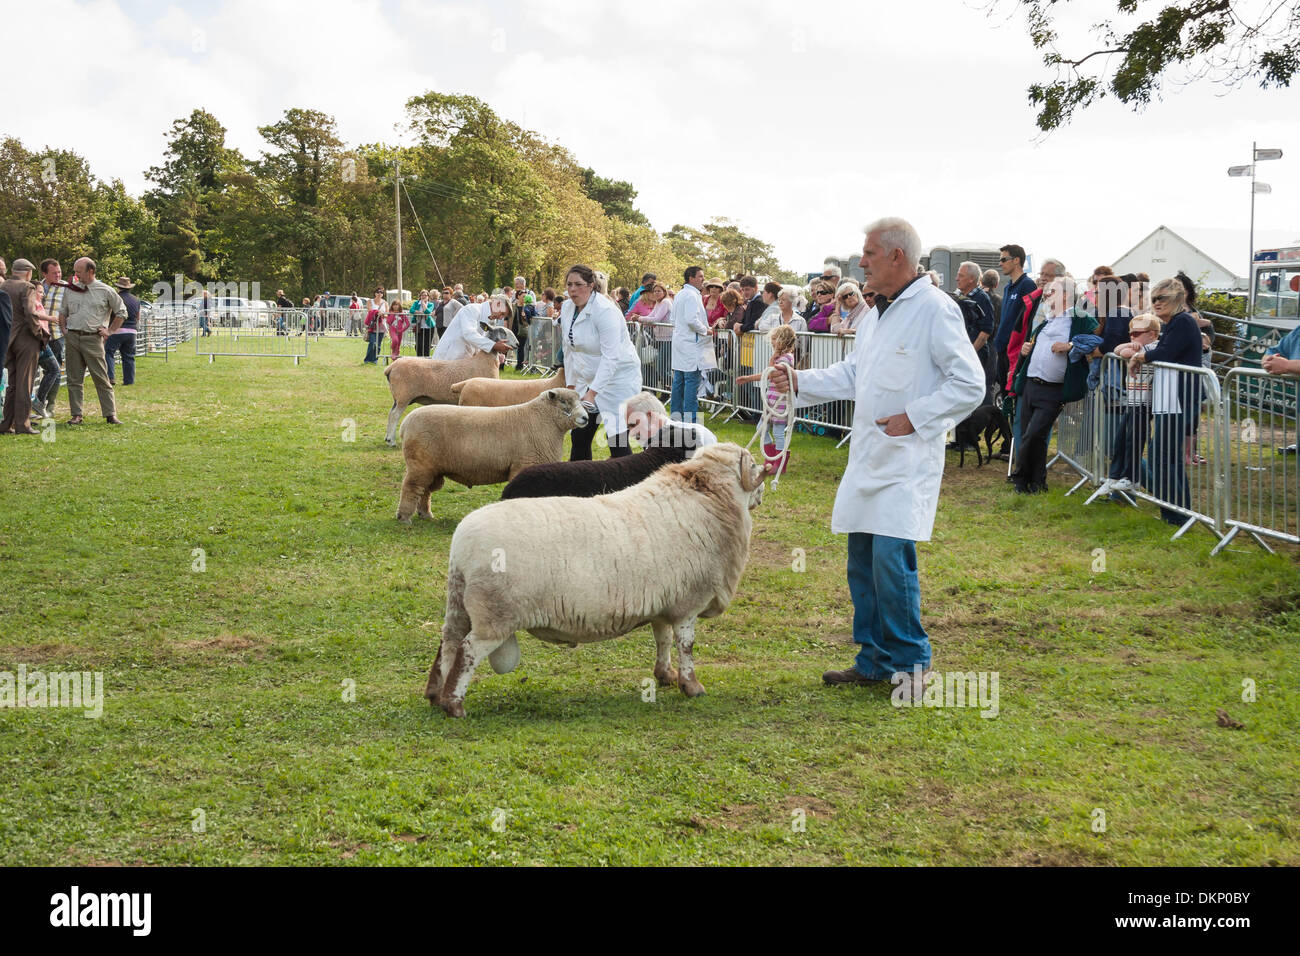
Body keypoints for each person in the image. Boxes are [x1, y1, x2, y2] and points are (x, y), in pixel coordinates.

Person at [770, 217, 984, 694]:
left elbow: (970, 383)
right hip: (868, 459)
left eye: (868, 253)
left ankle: (912, 665)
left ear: (896, 257)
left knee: (891, 559)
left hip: (906, 461)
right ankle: (873, 660)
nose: (860, 262)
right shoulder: (875, 314)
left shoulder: (935, 309)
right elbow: (851, 374)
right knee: (862, 564)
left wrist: (917, 415)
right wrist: (798, 380)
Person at [1125, 276, 1205, 525]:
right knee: (1164, 456)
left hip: (1179, 399)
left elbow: (1166, 352)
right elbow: (1164, 350)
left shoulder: (1182, 322)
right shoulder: (1176, 323)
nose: (1157, 303)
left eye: (1163, 298)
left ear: (1178, 299)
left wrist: (1139, 357)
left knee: (1165, 457)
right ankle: (1175, 513)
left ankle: (1177, 515)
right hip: (1171, 399)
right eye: (1154, 299)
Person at [1009, 274, 1097, 494]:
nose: (1047, 294)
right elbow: (1032, 342)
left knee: (1033, 434)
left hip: (1053, 388)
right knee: (1033, 438)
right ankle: (1036, 482)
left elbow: (1096, 339)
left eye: (1053, 291)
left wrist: (1070, 345)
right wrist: (1025, 351)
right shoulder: (1047, 319)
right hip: (1031, 383)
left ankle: (1019, 477)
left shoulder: (1079, 318)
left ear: (1066, 295)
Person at [559, 264, 642, 460]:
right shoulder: (567, 307)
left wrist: (592, 393)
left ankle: (626, 486)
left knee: (616, 438)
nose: (572, 289)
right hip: (586, 376)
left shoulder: (606, 311)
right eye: (569, 284)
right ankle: (580, 486)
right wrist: (571, 386)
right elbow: (568, 349)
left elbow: (610, 357)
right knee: (580, 435)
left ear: (591, 285)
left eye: (578, 284)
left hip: (618, 378)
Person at [58, 257, 125, 425]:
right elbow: (62, 312)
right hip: (73, 337)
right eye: (75, 271)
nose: (76, 275)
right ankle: (76, 415)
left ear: (91, 271)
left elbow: (122, 312)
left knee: (101, 377)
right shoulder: (70, 290)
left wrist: (109, 331)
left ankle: (110, 414)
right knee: (74, 379)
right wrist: (64, 330)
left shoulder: (106, 290)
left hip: (93, 339)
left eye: (79, 272)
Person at [1107, 314, 1161, 491]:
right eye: (1130, 333)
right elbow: (1118, 350)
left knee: (1134, 441)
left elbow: (1128, 353)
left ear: (1152, 334)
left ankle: (1132, 477)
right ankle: (1114, 476)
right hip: (1131, 401)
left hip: (1144, 404)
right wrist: (1129, 346)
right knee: (1121, 439)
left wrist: (1132, 352)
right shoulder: (1140, 348)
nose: (1132, 337)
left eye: (1137, 333)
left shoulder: (1154, 347)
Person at [737, 324, 798, 475]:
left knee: (778, 432)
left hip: (780, 402)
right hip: (771, 401)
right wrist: (749, 378)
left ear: (783, 341)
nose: (772, 341)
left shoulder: (786, 359)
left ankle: (779, 462)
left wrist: (771, 359)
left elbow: (771, 373)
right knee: (761, 428)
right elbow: (768, 373)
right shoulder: (780, 358)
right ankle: (770, 458)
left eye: (775, 339)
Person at [1, 259, 48, 435]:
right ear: (28, 273)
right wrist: (39, 334)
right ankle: (23, 424)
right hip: (25, 339)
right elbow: (30, 312)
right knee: (24, 383)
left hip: (7, 339)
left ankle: (7, 424)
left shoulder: (3, 285)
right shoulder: (27, 287)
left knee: (11, 384)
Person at [993, 244, 1035, 404]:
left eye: (1004, 259)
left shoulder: (1027, 285)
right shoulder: (1007, 287)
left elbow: (1028, 321)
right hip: (1003, 350)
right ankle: (1008, 428)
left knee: (1014, 397)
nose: (1000, 263)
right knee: (1005, 395)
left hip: (1015, 352)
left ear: (1016, 260)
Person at [670, 266, 710, 424]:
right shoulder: (692, 296)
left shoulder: (680, 294)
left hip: (680, 342)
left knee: (678, 383)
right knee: (691, 383)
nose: (702, 279)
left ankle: (675, 419)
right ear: (691, 278)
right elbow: (692, 320)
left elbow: (673, 320)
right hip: (691, 344)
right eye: (700, 276)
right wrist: (705, 330)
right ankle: (690, 422)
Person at [623, 390, 717, 456]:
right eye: (629, 427)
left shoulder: (700, 434)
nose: (631, 433)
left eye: (633, 425)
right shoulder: (651, 445)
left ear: (651, 416)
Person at [955, 260, 994, 401]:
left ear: (971, 279)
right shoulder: (958, 296)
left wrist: (969, 353)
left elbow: (985, 331)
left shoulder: (982, 298)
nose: (956, 278)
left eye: (961, 275)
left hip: (974, 355)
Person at [432, 293, 512, 362]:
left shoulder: (485, 318)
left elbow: (479, 342)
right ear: (497, 304)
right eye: (502, 313)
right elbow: (469, 334)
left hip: (461, 362)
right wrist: (494, 345)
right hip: (448, 358)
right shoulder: (472, 309)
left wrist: (495, 354)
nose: (501, 318)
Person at [35, 259, 65, 419]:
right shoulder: (35, 287)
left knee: (55, 370)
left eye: (59, 272)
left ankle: (49, 406)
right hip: (38, 336)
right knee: (37, 371)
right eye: (54, 273)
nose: (58, 275)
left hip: (56, 335)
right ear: (44, 274)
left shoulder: (65, 287)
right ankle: (36, 404)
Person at [105, 277, 140, 385]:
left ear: (118, 287)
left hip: (117, 329)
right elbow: (138, 317)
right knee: (129, 356)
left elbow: (109, 313)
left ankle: (110, 377)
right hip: (131, 331)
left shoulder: (116, 298)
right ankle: (129, 381)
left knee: (108, 352)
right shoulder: (136, 300)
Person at [411, 290, 436, 357]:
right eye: (422, 295)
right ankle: (419, 360)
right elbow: (411, 310)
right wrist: (417, 312)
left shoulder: (431, 304)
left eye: (425, 295)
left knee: (427, 345)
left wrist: (423, 304)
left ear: (428, 297)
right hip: (419, 327)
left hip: (429, 327)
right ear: (420, 296)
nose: (424, 296)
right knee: (419, 345)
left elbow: (428, 312)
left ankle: (426, 360)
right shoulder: (416, 303)